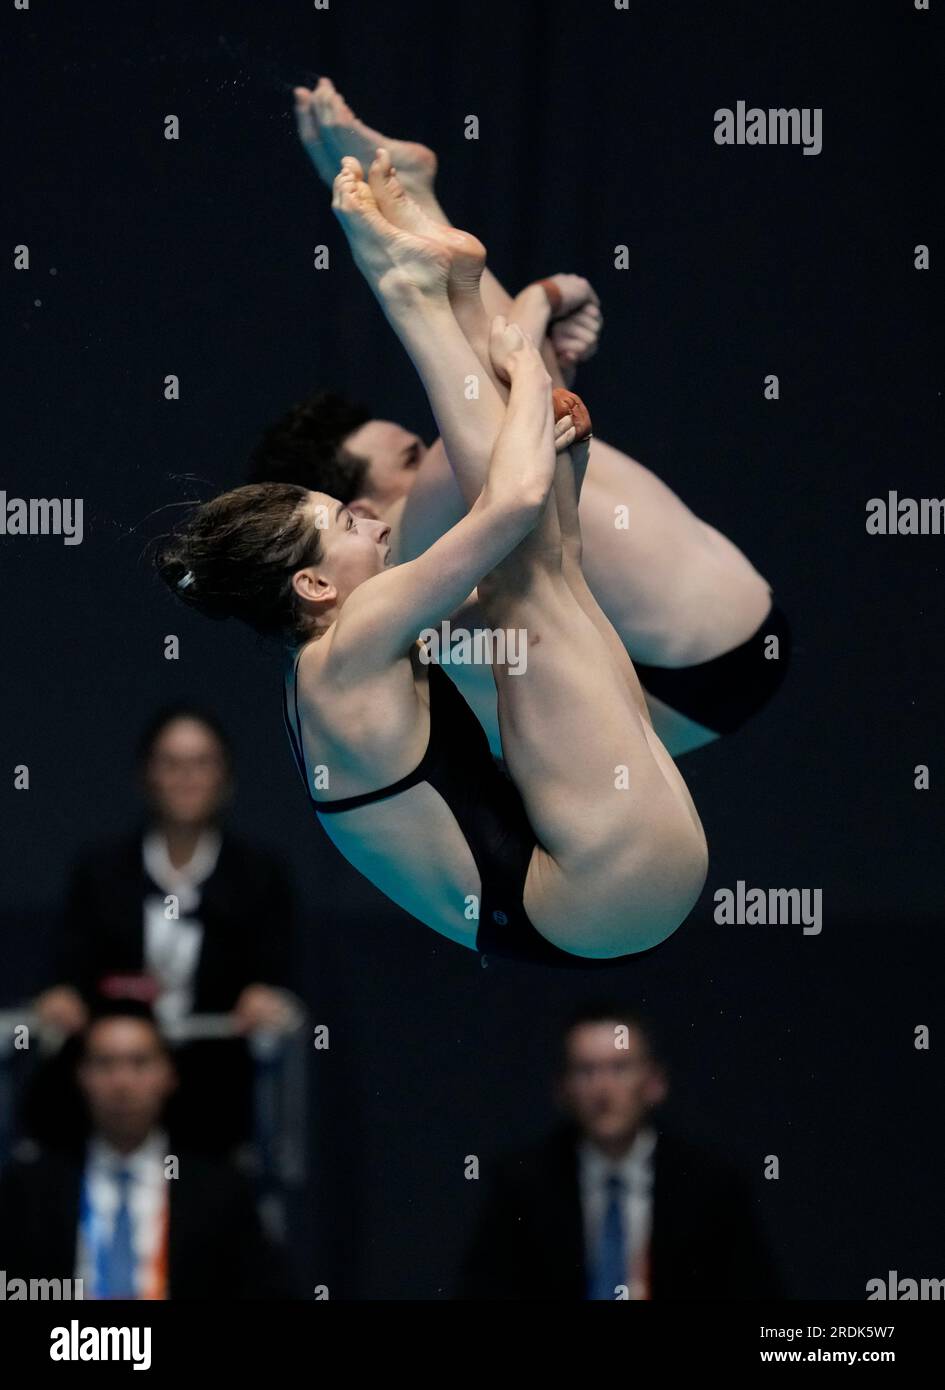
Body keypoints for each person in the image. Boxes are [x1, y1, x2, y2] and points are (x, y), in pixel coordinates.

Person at [155, 152, 708, 967]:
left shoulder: (332, 670)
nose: (378, 526)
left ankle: (440, 289)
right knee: (521, 581)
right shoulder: (352, 638)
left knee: (531, 583)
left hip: (598, 900)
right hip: (589, 893)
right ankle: (417, 293)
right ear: (310, 584)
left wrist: (563, 452)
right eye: (348, 523)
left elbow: (546, 538)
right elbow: (511, 507)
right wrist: (524, 367)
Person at [245, 78, 790, 760]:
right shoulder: (407, 556)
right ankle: (408, 200)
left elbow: (535, 416)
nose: (431, 452)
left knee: (524, 435)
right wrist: (539, 300)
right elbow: (508, 403)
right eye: (410, 460)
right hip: (703, 657)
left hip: (691, 683)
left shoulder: (392, 600)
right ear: (358, 505)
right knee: (501, 421)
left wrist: (545, 338)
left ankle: (402, 195)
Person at [30, 706, 299, 1154]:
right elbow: (68, 969)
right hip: (114, 1085)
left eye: (201, 764)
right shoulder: (101, 870)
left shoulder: (259, 875)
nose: (186, 778)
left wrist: (267, 997)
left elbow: (277, 978)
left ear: (225, 777)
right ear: (146, 776)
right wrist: (61, 996)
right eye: (171, 764)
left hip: (215, 1091)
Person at [458, 1002, 783, 1299]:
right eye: (586, 1071)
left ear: (654, 1082)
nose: (603, 1088)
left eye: (620, 1068)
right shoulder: (522, 1184)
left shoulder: (711, 1184)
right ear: (562, 1088)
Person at [0, 1002, 297, 1299]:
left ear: (169, 1074)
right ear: (82, 1076)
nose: (122, 1083)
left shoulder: (220, 1190)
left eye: (139, 1062)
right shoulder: (33, 1188)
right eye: (105, 1063)